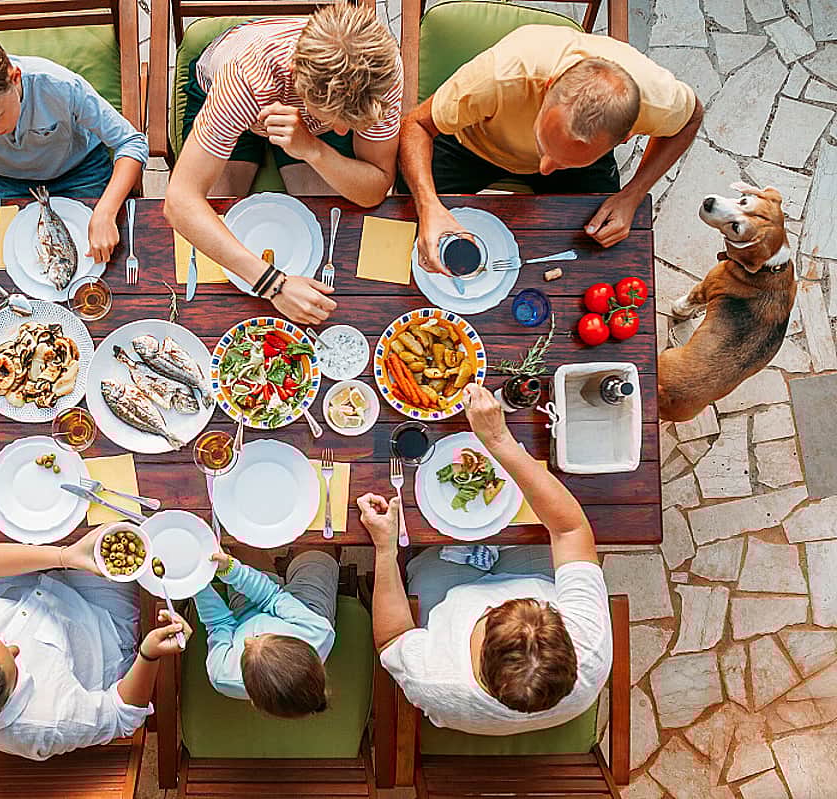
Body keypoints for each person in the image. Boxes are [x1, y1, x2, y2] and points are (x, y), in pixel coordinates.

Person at [363, 383, 611, 734]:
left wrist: (386, 549)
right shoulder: (589, 638)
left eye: (490, 613)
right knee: (540, 537)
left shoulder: (435, 679)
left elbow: (391, 639)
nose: (499, 600)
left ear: (479, 658)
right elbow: (570, 531)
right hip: (531, 569)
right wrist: (498, 440)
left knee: (423, 560)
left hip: (451, 587)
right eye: (546, 607)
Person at [164, 4, 403, 325]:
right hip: (226, 94)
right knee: (219, 222)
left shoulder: (381, 75)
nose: (346, 132)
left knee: (328, 225)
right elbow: (180, 203)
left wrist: (314, 149)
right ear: (296, 82)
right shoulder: (246, 77)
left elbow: (375, 188)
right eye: (338, 120)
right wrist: (273, 286)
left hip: (306, 127)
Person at [399, 25, 704, 267]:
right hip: (474, 145)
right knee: (407, 220)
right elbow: (415, 124)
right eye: (543, 144)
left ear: (625, 138)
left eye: (563, 160)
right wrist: (428, 205)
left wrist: (632, 196)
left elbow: (691, 119)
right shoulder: (500, 75)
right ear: (548, 87)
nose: (543, 169)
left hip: (585, 170)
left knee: (599, 253)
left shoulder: (659, 100)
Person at [0, 533, 191, 759]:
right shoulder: (44, 724)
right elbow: (122, 715)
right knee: (153, 541)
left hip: (29, 581)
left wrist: (65, 557)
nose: (15, 649)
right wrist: (148, 654)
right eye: (14, 669)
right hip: (101, 622)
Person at [0, 25, 148, 264]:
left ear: (14, 77)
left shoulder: (59, 85)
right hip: (6, 182)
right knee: (13, 263)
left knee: (97, 259)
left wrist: (106, 212)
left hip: (80, 171)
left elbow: (131, 142)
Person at [193, 546, 338, 717]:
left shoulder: (223, 675)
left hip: (247, 614)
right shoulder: (319, 632)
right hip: (308, 608)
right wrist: (232, 571)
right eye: (262, 636)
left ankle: (281, 564)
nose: (247, 640)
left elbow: (219, 623)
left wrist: (196, 582)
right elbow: (271, 596)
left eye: (245, 651)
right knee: (318, 547)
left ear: (252, 699)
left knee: (242, 541)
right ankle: (297, 558)